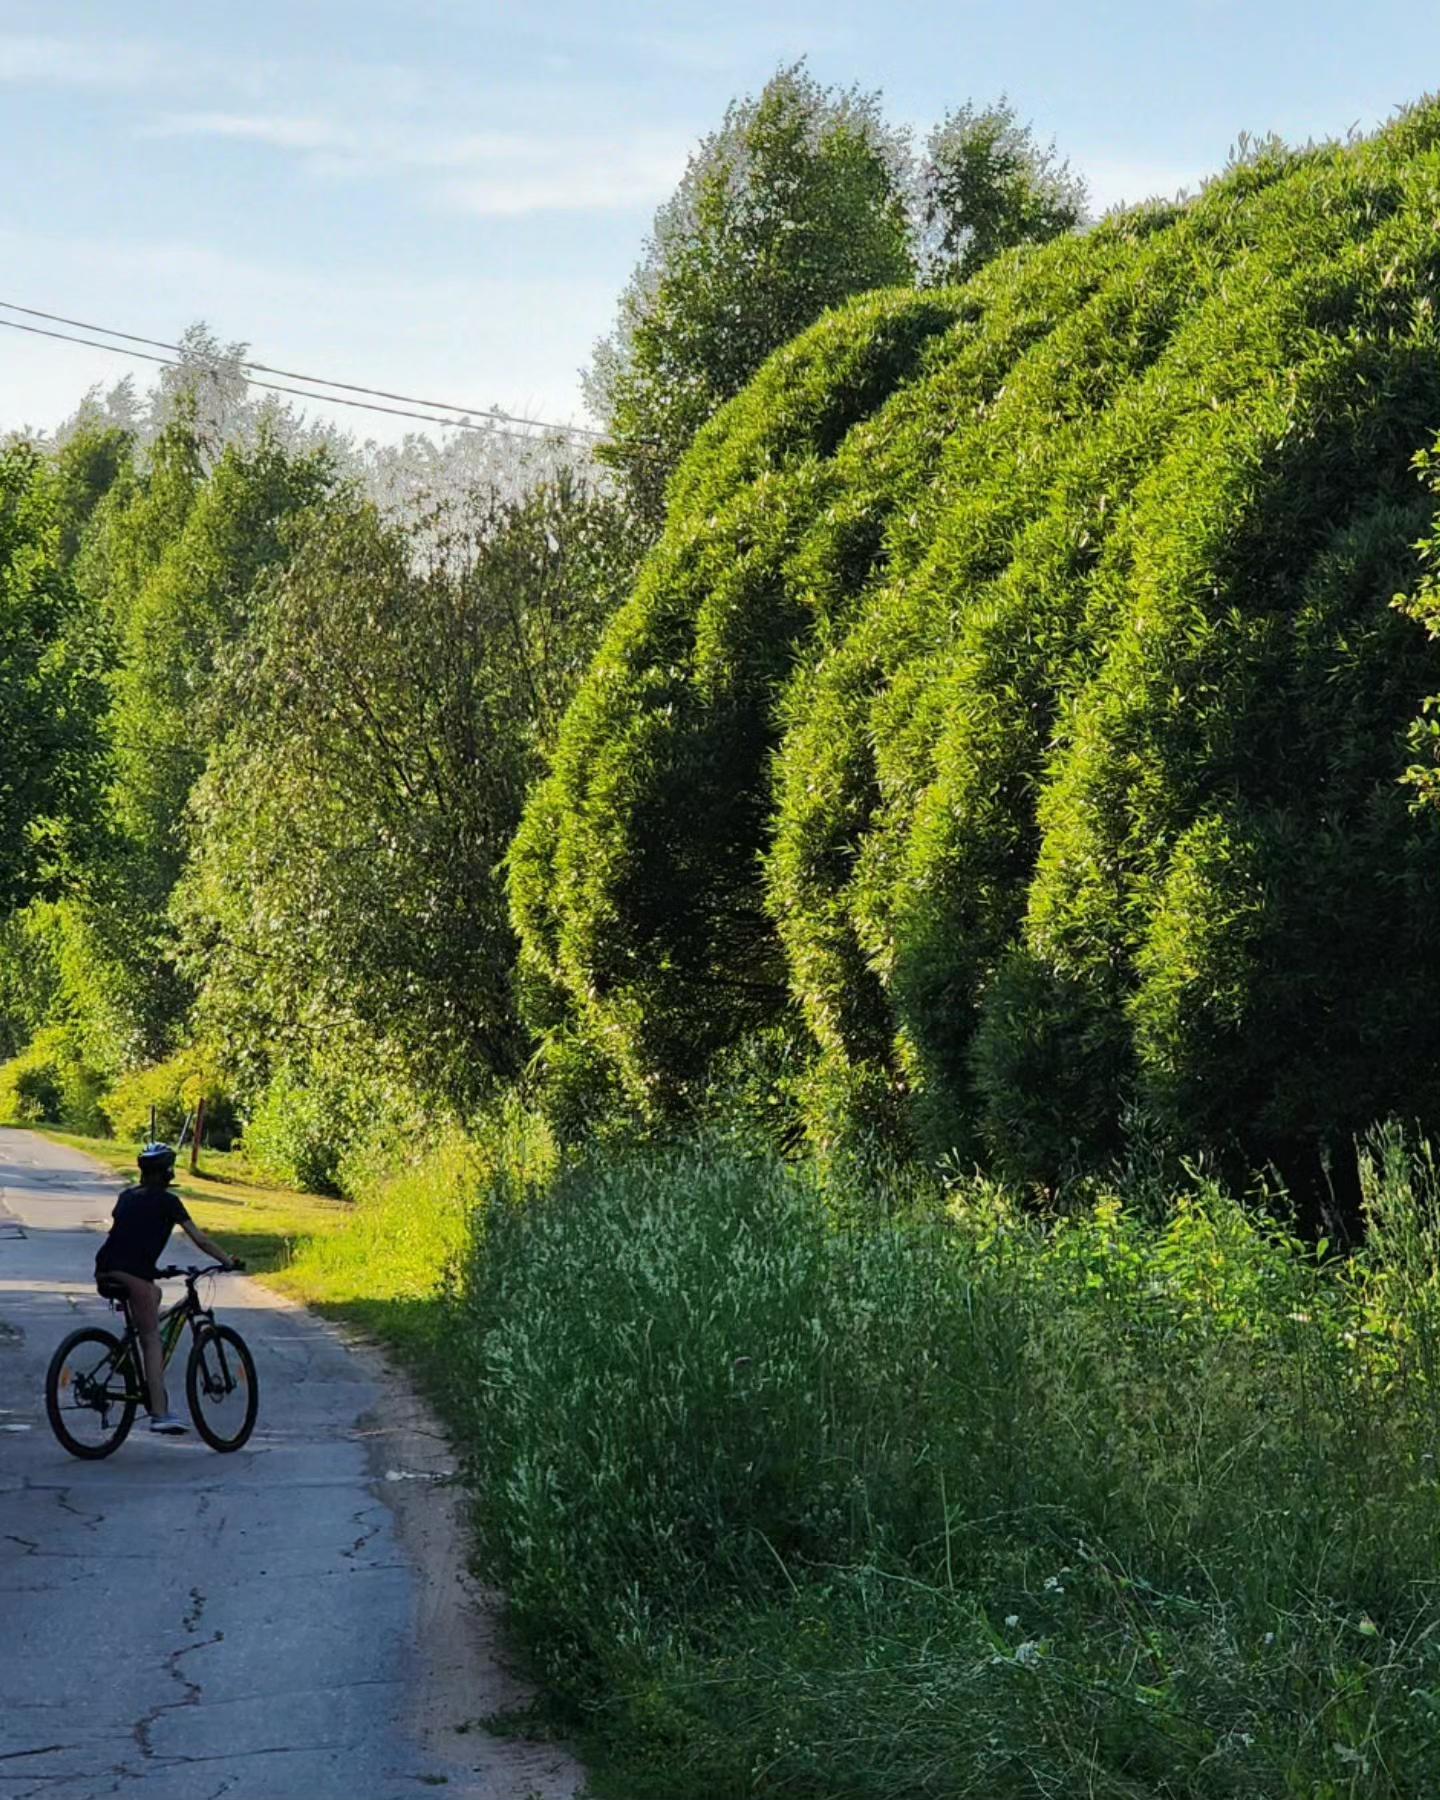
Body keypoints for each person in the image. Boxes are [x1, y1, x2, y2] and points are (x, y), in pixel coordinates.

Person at [94, 1142, 240, 1436]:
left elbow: (127, 1235)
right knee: (151, 1339)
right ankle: (159, 1414)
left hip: (106, 1268)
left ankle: (126, 1351)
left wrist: (153, 1269)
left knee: (155, 1295)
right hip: (132, 1273)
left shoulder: (126, 1196)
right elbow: (201, 1240)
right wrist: (228, 1261)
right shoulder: (169, 1202)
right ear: (167, 1172)